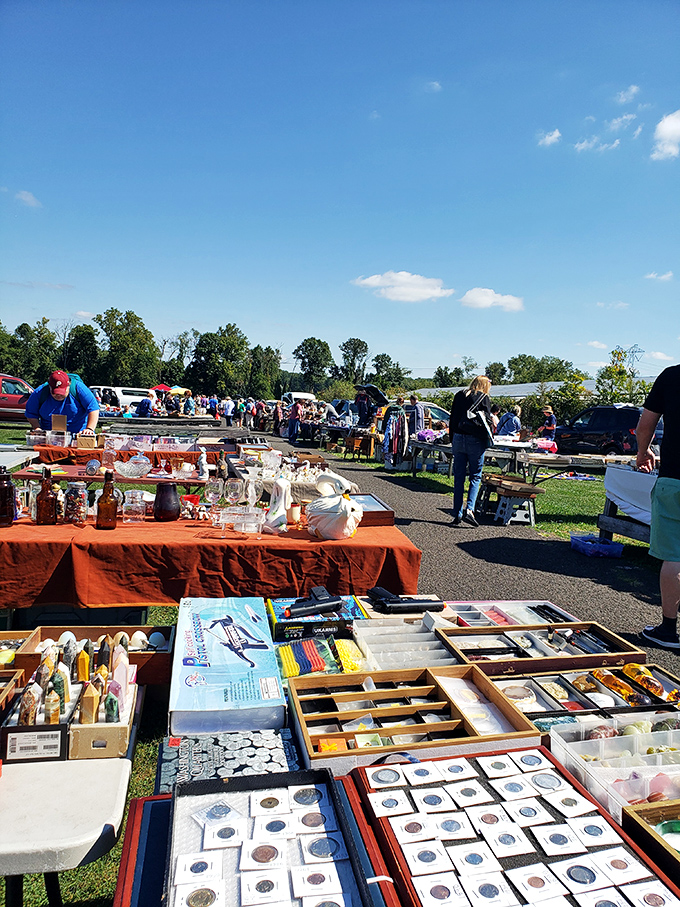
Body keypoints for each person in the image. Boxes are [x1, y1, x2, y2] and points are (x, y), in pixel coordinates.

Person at [635, 364, 680, 649]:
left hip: (674, 477)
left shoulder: (671, 376)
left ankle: (668, 629)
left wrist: (643, 451)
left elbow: (645, 426)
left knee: (674, 555)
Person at [449, 375, 493, 527]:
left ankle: (457, 512)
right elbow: (486, 421)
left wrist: (452, 438)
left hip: (458, 438)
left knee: (459, 477)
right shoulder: (484, 398)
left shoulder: (459, 395)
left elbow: (452, 418)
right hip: (475, 440)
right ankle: (470, 510)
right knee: (475, 476)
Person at [25, 370, 99, 435]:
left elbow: (93, 408)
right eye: (55, 392)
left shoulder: (79, 389)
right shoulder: (39, 393)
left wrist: (89, 429)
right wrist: (37, 428)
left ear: (68, 386)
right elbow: (31, 413)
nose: (58, 395)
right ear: (49, 387)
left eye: (62, 392)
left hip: (78, 435)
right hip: (50, 436)